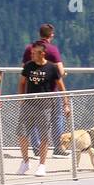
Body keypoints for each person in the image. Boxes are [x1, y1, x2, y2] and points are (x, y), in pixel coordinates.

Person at [17, 43, 68, 177]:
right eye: (31, 53)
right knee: (21, 133)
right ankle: (25, 162)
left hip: (45, 106)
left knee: (44, 135)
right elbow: (22, 82)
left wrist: (66, 103)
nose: (31, 55)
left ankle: (42, 165)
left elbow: (61, 87)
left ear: (42, 54)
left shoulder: (52, 68)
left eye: (34, 53)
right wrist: (22, 99)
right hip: (28, 105)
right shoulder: (28, 66)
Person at [22, 24, 68, 157]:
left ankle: (37, 148)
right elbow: (60, 71)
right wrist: (63, 74)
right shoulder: (52, 50)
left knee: (35, 119)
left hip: (32, 91)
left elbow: (24, 68)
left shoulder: (29, 49)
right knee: (57, 118)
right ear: (51, 35)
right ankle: (58, 147)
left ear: (39, 33)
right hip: (51, 91)